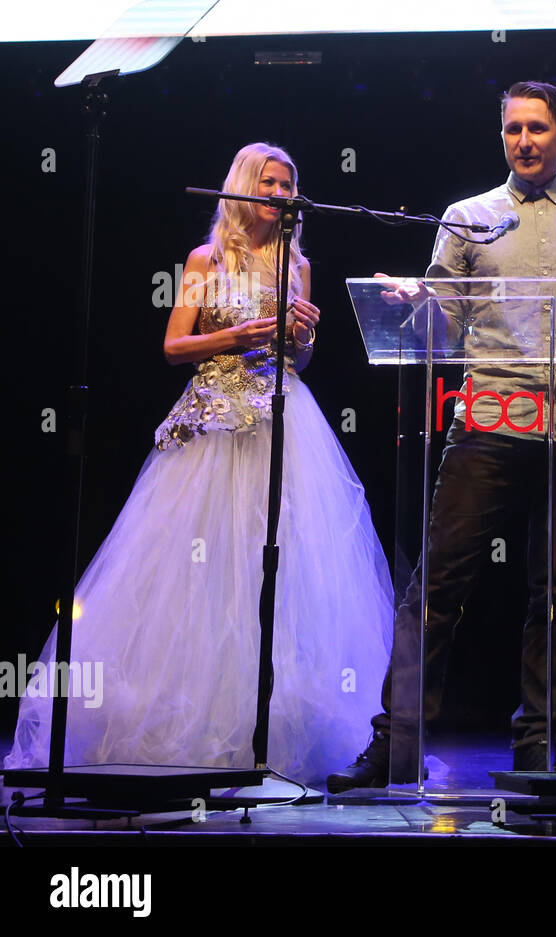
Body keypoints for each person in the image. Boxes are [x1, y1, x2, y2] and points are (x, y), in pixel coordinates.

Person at [327, 81, 556, 792]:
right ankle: (397, 742)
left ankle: (538, 748)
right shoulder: (468, 217)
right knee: (434, 588)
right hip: (491, 419)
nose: (524, 140)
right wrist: (409, 304)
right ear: (502, 137)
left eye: (539, 128)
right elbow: (440, 330)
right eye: (513, 129)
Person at [3, 143, 393, 784]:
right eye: (269, 181)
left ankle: (270, 726)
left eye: (289, 183)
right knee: (197, 564)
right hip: (213, 424)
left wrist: (304, 336)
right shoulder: (206, 260)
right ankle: (179, 723)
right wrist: (236, 336)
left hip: (280, 418)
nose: (280, 192)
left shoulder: (296, 265)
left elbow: (301, 360)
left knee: (275, 561)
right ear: (243, 189)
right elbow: (173, 345)